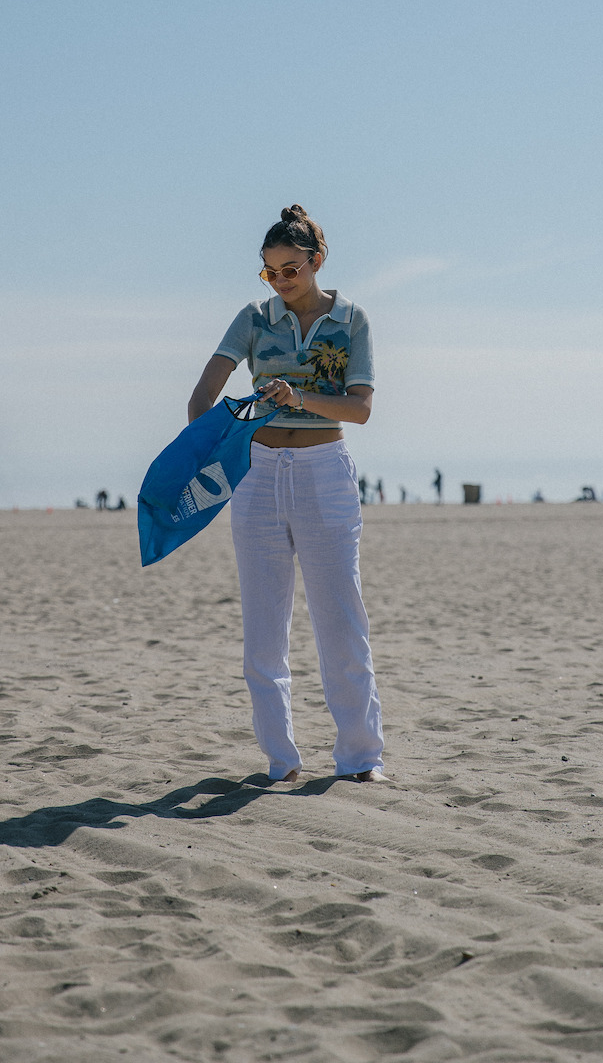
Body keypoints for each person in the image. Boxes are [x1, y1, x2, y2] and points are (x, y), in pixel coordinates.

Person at [187, 204, 382, 784]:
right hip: (258, 473)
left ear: (316, 261)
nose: (280, 281)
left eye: (290, 269)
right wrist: (219, 449)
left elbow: (361, 409)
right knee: (263, 628)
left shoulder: (351, 320)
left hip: (325, 470)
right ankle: (281, 761)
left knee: (341, 623)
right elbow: (201, 397)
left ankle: (361, 758)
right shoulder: (253, 318)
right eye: (270, 272)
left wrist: (299, 398)